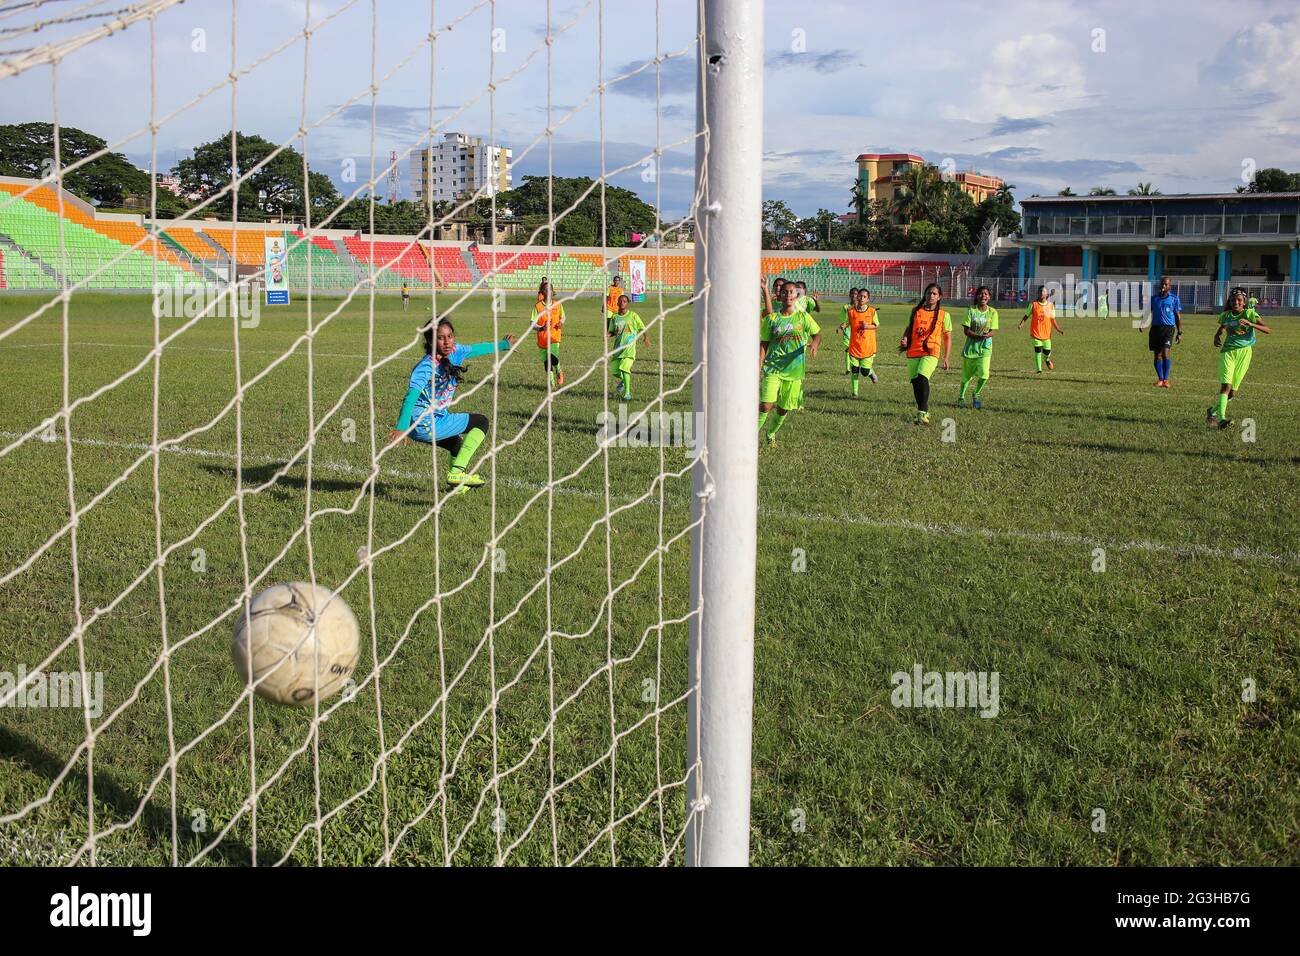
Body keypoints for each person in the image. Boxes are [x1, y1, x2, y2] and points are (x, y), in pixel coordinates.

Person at [389, 318, 515, 489]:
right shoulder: (426, 366)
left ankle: (457, 490)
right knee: (481, 422)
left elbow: (478, 349)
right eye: (441, 338)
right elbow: (410, 397)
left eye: (450, 336)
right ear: (431, 341)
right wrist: (401, 427)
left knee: (456, 445)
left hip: (427, 421)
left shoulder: (457, 351)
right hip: (423, 422)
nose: (447, 342)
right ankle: (457, 473)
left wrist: (503, 345)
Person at [758, 279, 820, 446]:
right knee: (765, 405)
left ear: (796, 296)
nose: (788, 295)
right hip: (773, 367)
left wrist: (814, 343)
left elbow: (817, 333)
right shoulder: (772, 319)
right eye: (784, 292)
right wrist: (759, 364)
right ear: (780, 295)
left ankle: (771, 434)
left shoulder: (803, 317)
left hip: (794, 371)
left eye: (791, 292)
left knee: (783, 408)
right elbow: (764, 342)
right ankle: (747, 437)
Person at [1206, 287, 1270, 430]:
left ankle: (1212, 411)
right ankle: (1221, 419)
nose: (1236, 302)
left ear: (1244, 302)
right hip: (1228, 353)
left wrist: (1251, 324)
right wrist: (1217, 335)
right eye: (1233, 300)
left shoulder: (1250, 313)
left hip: (1245, 353)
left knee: (1232, 393)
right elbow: (1223, 327)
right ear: (1230, 301)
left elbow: (1268, 329)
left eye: (1239, 300)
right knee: (1226, 386)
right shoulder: (1226, 315)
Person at [898, 282, 951, 426]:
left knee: (922, 376)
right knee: (915, 382)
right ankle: (922, 411)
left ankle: (923, 411)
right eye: (929, 293)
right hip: (914, 350)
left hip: (931, 351)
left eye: (934, 293)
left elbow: (947, 337)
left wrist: (946, 357)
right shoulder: (916, 311)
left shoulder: (944, 315)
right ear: (925, 295)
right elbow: (909, 328)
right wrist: (905, 339)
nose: (931, 296)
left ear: (939, 297)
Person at [958, 286, 998, 409]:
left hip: (985, 348)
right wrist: (977, 336)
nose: (983, 296)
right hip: (971, 348)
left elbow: (993, 331)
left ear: (989, 297)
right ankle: (961, 397)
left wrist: (987, 335)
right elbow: (966, 330)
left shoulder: (993, 312)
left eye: (986, 294)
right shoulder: (971, 311)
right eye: (981, 294)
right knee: (966, 376)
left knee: (985, 374)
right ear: (976, 296)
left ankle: (976, 394)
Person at [608, 294, 649, 400]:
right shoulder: (614, 317)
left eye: (624, 301)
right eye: (620, 301)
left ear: (627, 303)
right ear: (617, 303)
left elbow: (642, 327)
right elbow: (612, 331)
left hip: (629, 349)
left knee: (625, 368)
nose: (622, 303)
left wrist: (646, 337)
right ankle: (623, 380)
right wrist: (608, 335)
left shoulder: (633, 315)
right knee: (615, 371)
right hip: (617, 349)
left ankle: (627, 393)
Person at [838, 288, 879, 395]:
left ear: (868, 299)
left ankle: (870, 373)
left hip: (867, 346)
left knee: (864, 372)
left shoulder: (872, 311)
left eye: (864, 296)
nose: (861, 298)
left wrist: (868, 326)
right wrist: (842, 326)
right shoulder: (851, 311)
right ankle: (854, 393)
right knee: (855, 370)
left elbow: (876, 325)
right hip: (854, 345)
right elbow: (847, 322)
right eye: (860, 296)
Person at [1017, 285, 1064, 372]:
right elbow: (1026, 316)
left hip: (1046, 334)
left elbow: (1053, 320)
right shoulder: (1033, 304)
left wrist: (1059, 329)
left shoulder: (1050, 305)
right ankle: (1039, 370)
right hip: (1035, 333)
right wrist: (1021, 324)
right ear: (1038, 293)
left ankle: (1047, 359)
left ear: (1047, 294)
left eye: (1043, 291)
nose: (1041, 293)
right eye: (1040, 291)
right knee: (1038, 351)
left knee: (1047, 352)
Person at [1147, 276, 1182, 388]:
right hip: (1156, 329)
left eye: (1166, 284)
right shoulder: (1154, 298)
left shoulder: (1174, 299)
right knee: (1157, 356)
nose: (1163, 286)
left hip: (1168, 329)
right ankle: (1160, 379)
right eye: (1162, 283)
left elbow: (1177, 316)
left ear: (1169, 286)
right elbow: (1148, 311)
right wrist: (1143, 323)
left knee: (1165, 353)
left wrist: (1179, 332)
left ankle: (1166, 380)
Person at [533, 278, 566, 388]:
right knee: (546, 361)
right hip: (542, 338)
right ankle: (551, 381)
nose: (548, 292)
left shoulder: (558, 304)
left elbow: (563, 317)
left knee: (552, 356)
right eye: (545, 290)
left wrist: (561, 322)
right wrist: (541, 328)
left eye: (550, 289)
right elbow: (532, 323)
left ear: (553, 292)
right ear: (542, 292)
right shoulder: (537, 307)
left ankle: (559, 370)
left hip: (554, 337)